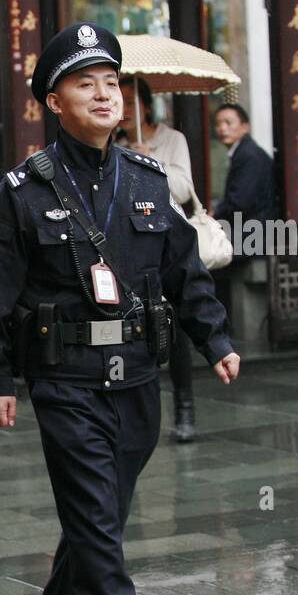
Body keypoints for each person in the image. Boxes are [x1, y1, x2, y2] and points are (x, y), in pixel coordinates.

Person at [0, 22, 239, 595]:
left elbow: (186, 274)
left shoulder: (149, 182)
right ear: (53, 102)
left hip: (139, 382)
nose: (102, 94)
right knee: (96, 516)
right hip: (66, 383)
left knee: (100, 517)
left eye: (111, 81)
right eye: (84, 83)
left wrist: (217, 341)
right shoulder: (23, 191)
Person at [118, 76, 200, 442]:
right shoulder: (111, 143)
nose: (125, 109)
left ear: (146, 105)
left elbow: (183, 190)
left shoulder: (172, 140)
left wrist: (148, 160)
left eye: (131, 101)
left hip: (167, 240)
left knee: (175, 325)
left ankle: (185, 408)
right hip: (127, 243)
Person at [212, 102, 275, 228]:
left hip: (254, 229)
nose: (222, 128)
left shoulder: (249, 155)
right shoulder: (243, 151)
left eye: (228, 123)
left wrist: (215, 214)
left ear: (245, 127)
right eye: (218, 124)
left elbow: (240, 201)